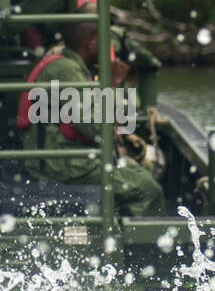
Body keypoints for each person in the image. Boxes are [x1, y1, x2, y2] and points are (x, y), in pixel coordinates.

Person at [16, 19, 164, 218]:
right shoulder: (66, 70)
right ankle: (138, 238)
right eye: (105, 42)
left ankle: (124, 228)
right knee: (148, 190)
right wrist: (113, 83)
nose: (109, 49)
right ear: (91, 43)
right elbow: (95, 127)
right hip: (61, 165)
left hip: (65, 157)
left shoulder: (68, 66)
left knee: (137, 173)